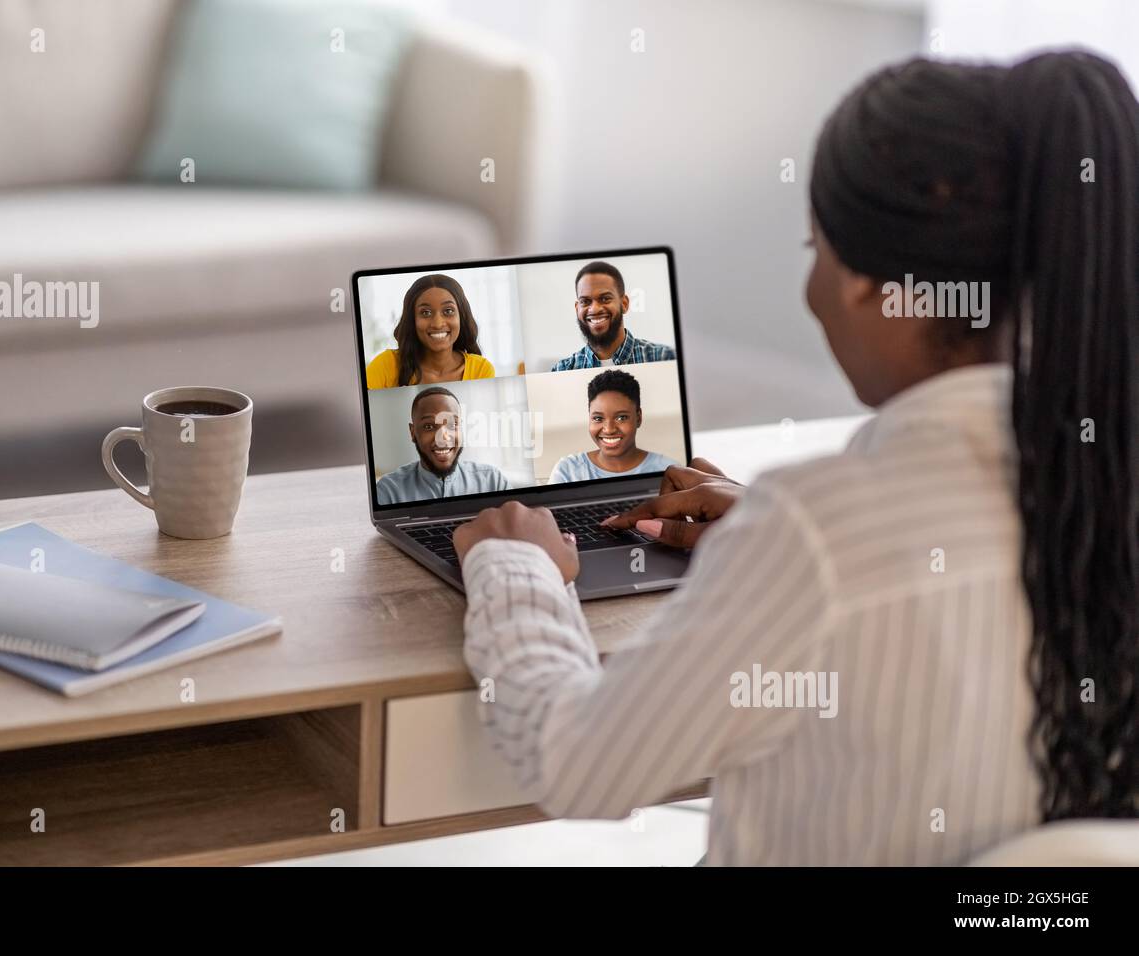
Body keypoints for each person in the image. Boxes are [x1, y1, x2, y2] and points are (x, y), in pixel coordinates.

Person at [450, 52, 1138, 864]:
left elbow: (578, 765)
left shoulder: (817, 533)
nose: (810, 291)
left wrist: (515, 569)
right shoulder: (1111, 487)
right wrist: (774, 548)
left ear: (861, 282)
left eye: (816, 248)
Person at [376, 387, 510, 505]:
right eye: (429, 426)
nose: (443, 438)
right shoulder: (388, 491)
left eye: (452, 425)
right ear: (413, 432)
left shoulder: (493, 481)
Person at [366, 275, 495, 388]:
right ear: (413, 320)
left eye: (448, 311)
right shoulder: (385, 365)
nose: (438, 324)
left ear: (461, 316)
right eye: (425, 313)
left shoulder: (481, 369)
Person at [548, 369, 676, 483]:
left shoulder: (669, 470)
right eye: (598, 418)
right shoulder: (568, 471)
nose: (609, 430)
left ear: (639, 417)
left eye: (621, 418)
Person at [550, 261, 675, 371]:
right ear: (577, 309)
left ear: (624, 304)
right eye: (585, 301)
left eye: (605, 299)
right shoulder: (562, 370)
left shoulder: (662, 358)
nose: (594, 309)